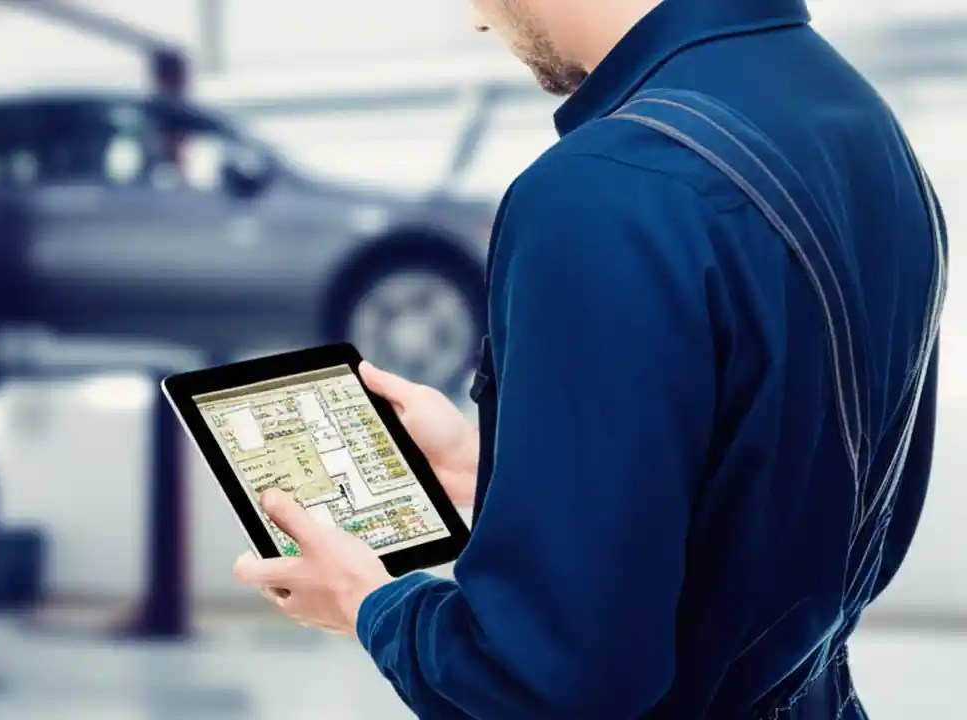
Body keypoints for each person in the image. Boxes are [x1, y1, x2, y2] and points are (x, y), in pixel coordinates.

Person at [232, 0, 948, 716]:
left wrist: (367, 602)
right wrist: (504, 472)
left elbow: (548, 685)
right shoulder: (859, 118)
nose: (480, 22)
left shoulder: (602, 189)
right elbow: (774, 474)